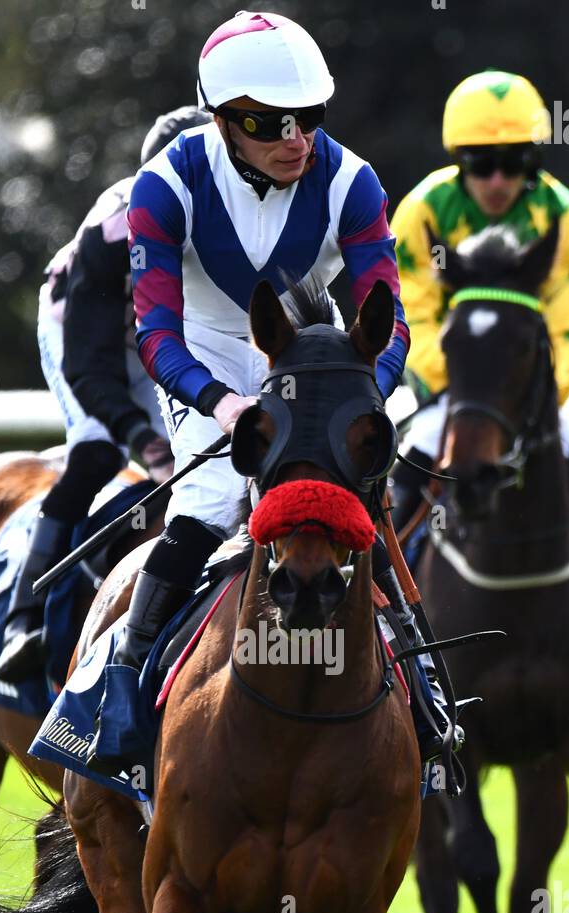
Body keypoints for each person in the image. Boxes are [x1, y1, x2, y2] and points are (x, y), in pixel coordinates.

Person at [121, 10, 455, 760]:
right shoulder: (164, 185)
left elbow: (389, 317)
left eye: (307, 118)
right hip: (206, 359)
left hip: (315, 357)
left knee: (363, 503)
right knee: (205, 500)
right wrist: (222, 401)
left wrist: (364, 387)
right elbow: (155, 333)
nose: (294, 139)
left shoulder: (353, 181)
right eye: (268, 123)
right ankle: (114, 688)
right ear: (222, 120)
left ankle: (428, 702)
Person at [388, 69, 569, 624]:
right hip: (450, 383)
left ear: (533, 161)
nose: (497, 180)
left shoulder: (563, 215)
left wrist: (534, 391)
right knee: (415, 448)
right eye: (481, 164)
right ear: (460, 161)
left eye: (514, 163)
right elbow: (407, 304)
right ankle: (385, 575)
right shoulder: (423, 210)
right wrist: (459, 381)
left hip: (526, 386)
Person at [0, 107, 213, 683]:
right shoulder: (108, 233)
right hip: (86, 334)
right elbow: (92, 369)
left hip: (160, 337)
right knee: (99, 452)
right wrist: (142, 436)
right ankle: (24, 618)